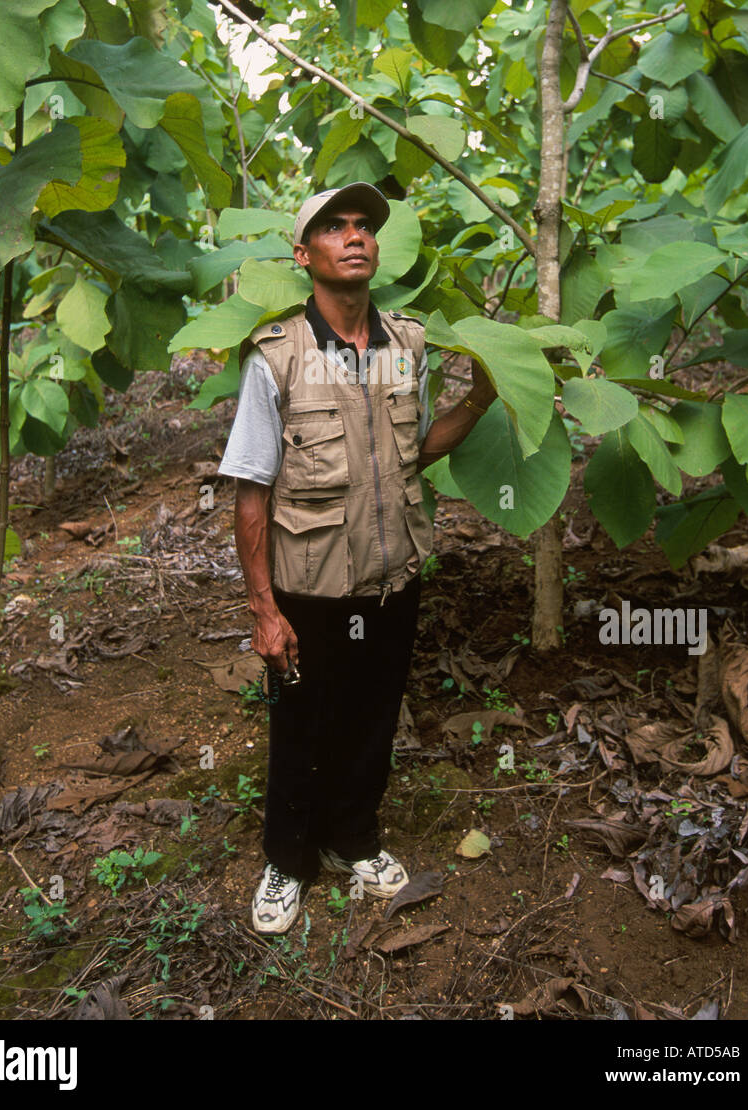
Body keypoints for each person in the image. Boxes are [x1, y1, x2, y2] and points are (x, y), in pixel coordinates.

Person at [217, 181, 496, 934]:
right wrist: (263, 608)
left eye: (364, 226)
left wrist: (476, 404)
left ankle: (355, 837)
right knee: (302, 723)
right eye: (335, 228)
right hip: (309, 584)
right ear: (305, 255)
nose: (356, 236)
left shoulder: (406, 344)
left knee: (373, 717)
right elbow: (249, 489)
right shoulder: (276, 358)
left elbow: (417, 448)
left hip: (390, 576)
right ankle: (287, 859)